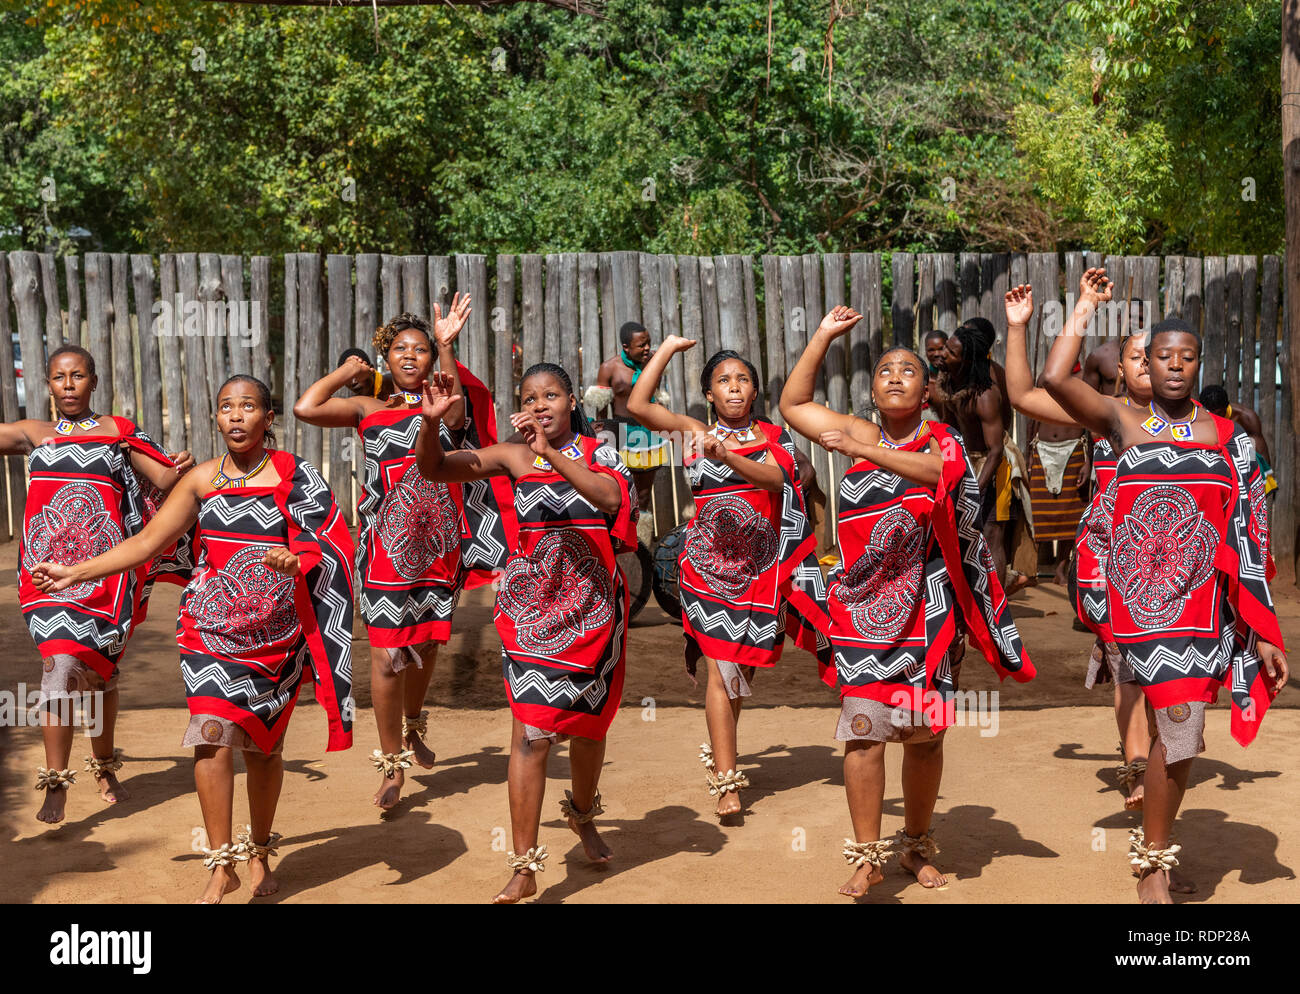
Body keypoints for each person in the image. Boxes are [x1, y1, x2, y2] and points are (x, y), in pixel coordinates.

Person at [31, 375, 355, 903]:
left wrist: (300, 558)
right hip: (209, 633)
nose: (235, 416)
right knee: (210, 733)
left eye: (248, 407)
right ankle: (221, 862)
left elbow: (332, 544)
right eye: (226, 407)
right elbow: (146, 542)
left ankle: (259, 854)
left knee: (264, 752)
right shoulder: (202, 480)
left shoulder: (300, 479)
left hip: (278, 639)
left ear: (267, 418)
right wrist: (75, 572)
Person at [781, 306, 1035, 898]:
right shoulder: (861, 432)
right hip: (863, 605)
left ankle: (915, 846)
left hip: (929, 609)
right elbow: (794, 406)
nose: (895, 376)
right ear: (872, 391)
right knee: (865, 728)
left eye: (908, 371)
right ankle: (868, 855)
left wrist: (862, 452)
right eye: (885, 371)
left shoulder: (939, 440)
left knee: (923, 736)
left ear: (927, 392)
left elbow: (940, 475)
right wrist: (822, 336)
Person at [1043, 306, 1287, 904]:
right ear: (1145, 364)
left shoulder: (1230, 438)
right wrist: (1079, 312)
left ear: (1199, 363)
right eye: (1163, 356)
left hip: (1207, 606)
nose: (1175, 366)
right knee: (1180, 725)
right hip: (1141, 599)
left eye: (1187, 356)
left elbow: (1251, 532)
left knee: (1178, 737)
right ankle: (1153, 867)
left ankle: (1156, 852)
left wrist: (1263, 626)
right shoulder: (1122, 420)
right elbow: (1052, 380)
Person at [416, 362, 636, 904]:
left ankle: (582, 814)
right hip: (530, 613)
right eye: (530, 397)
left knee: (586, 728)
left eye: (552, 395)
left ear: (571, 402)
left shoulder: (601, 451)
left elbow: (608, 499)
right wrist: (430, 423)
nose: (541, 405)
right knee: (532, 732)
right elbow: (436, 469)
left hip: (593, 610)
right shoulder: (510, 455)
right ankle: (525, 864)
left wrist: (551, 453)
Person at [296, 301, 514, 810]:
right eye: (400, 350)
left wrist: (445, 344)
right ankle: (392, 766)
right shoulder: (370, 410)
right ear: (385, 360)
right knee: (387, 653)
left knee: (427, 647)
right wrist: (347, 372)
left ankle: (415, 725)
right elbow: (306, 408)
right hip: (385, 550)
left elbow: (457, 408)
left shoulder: (443, 402)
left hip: (440, 548)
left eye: (419, 350)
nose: (411, 357)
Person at [627, 337, 830, 819]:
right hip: (708, 574)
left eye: (742, 380)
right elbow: (638, 405)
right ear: (710, 395)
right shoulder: (694, 432)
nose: (734, 388)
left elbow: (778, 482)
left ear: (755, 391)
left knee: (740, 673)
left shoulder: (775, 439)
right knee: (722, 669)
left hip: (762, 574)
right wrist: (668, 351)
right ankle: (726, 780)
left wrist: (727, 457)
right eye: (723, 382)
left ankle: (724, 754)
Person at [4, 345, 192, 826]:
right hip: (44, 573)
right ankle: (56, 782)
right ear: (47, 384)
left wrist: (182, 468)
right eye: (59, 377)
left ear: (94, 380)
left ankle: (105, 767)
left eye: (78, 376)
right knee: (61, 664)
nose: (68, 385)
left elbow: (167, 479)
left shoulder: (119, 431)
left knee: (99, 676)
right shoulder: (34, 434)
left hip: (107, 574)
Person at [1004, 275, 1160, 812]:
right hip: (1112, 561)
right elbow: (1026, 394)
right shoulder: (1104, 415)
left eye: (1157, 356)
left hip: (1175, 567)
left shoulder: (1200, 426)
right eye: (1137, 356)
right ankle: (1137, 766)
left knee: (1169, 674)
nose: (1147, 364)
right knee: (1129, 664)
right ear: (1119, 368)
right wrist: (1022, 327)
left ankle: (1160, 755)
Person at [929, 318, 1029, 589]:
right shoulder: (949, 382)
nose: (942, 354)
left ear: (966, 360)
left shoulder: (985, 394)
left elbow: (996, 450)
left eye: (950, 352)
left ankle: (994, 604)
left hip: (997, 467)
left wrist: (975, 490)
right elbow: (950, 428)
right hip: (967, 460)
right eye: (945, 348)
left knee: (992, 532)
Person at [587, 321, 670, 542]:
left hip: (648, 434)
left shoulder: (653, 360)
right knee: (620, 493)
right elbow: (601, 413)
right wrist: (601, 445)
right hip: (620, 435)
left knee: (642, 496)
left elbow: (658, 394)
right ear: (625, 347)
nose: (647, 348)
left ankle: (641, 546)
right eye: (641, 345)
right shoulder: (609, 368)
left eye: (648, 343)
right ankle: (618, 542)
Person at [1199, 385, 1277, 499]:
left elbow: (1256, 453)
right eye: (1210, 413)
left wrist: (1256, 482)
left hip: (1238, 470)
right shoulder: (1198, 417)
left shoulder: (1246, 419)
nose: (1215, 417)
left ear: (1226, 406)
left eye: (1218, 413)